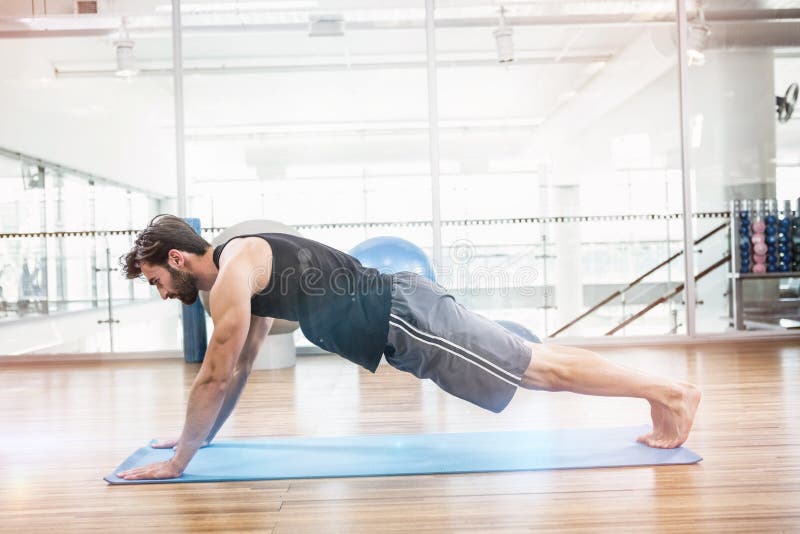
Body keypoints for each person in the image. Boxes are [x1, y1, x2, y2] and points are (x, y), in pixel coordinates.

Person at [116, 215, 701, 480]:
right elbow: (238, 368)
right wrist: (201, 439)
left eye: (155, 280)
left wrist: (179, 463)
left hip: (403, 319)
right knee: (534, 360)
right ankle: (662, 394)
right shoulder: (240, 273)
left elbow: (213, 376)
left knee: (536, 370)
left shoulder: (235, 272)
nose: (162, 293)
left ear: (175, 259)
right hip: (404, 314)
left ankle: (669, 393)